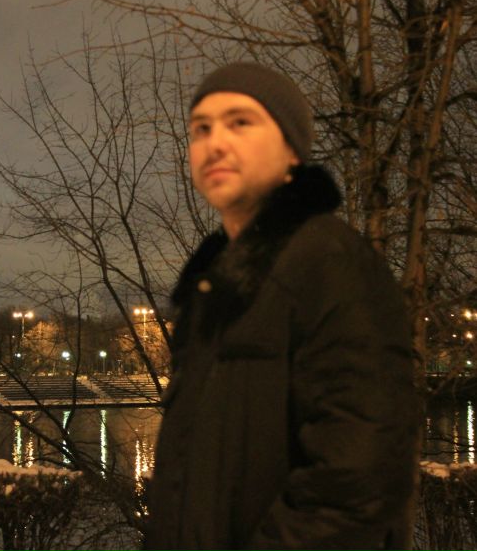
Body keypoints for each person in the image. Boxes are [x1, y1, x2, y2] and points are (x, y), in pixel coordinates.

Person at [144, 62, 421, 550]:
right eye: (201, 129)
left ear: (292, 150)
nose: (214, 143)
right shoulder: (215, 286)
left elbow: (359, 475)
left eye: (240, 122)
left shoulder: (328, 261)